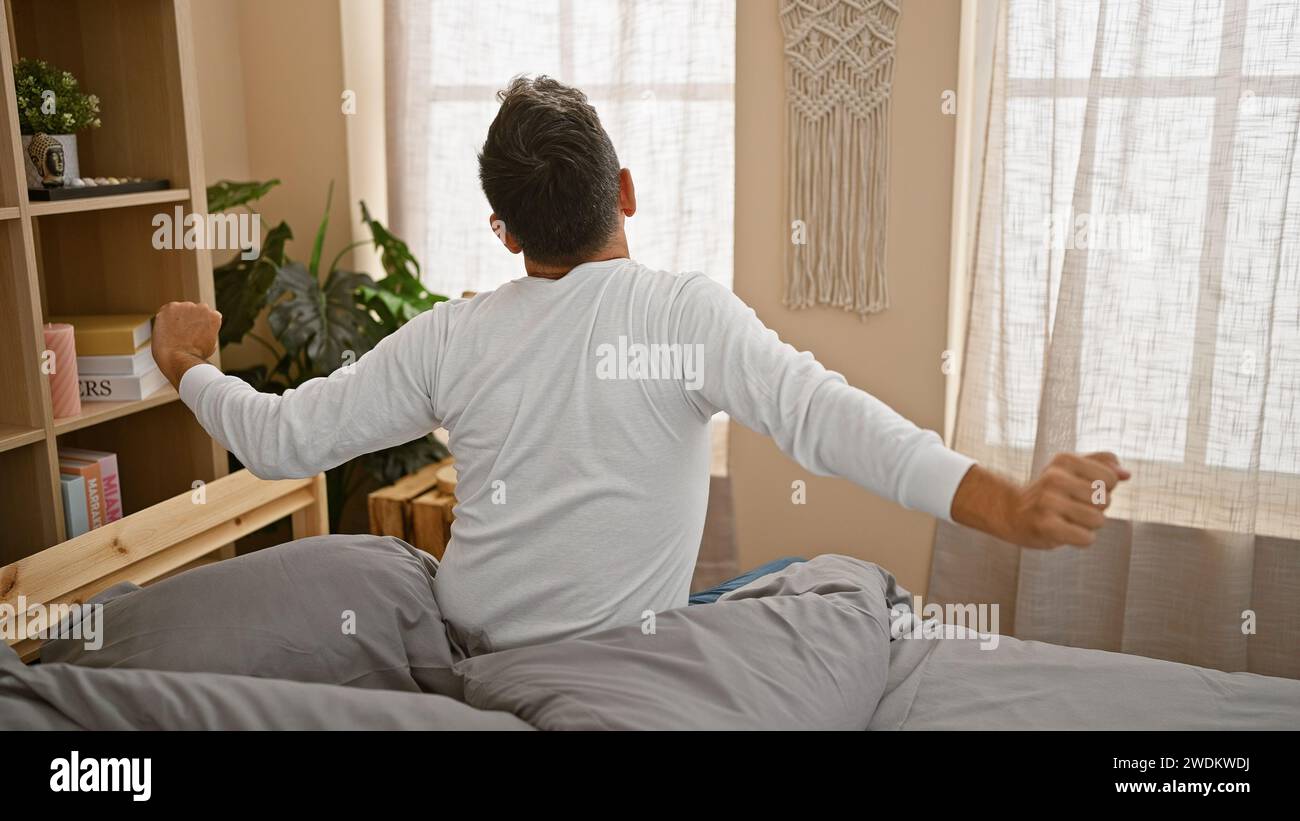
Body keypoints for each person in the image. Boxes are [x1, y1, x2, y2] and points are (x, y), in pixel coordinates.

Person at [152, 76, 1129, 656]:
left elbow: (282, 441)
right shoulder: (681, 314)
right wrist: (1005, 504)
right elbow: (824, 416)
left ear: (501, 231)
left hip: (470, 651)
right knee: (819, 585)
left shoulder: (452, 336)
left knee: (782, 578)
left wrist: (189, 365)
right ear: (622, 188)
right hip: (614, 661)